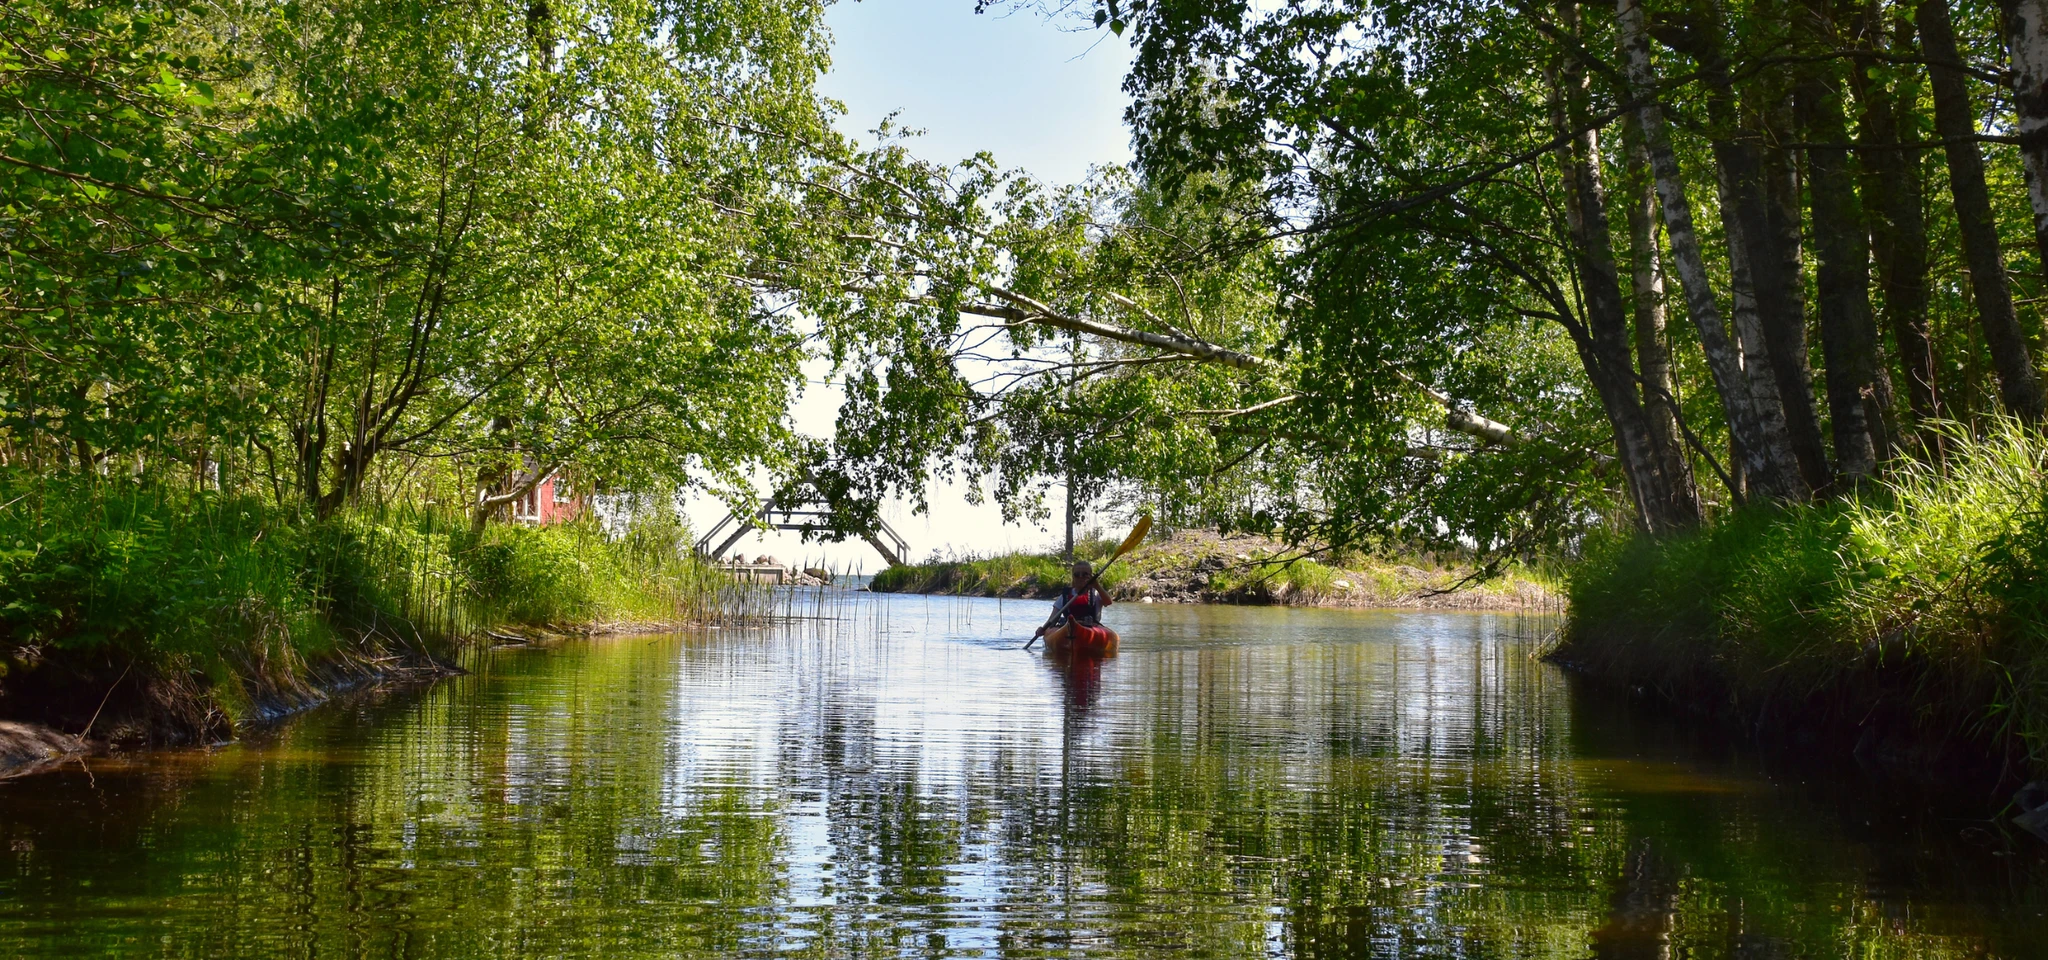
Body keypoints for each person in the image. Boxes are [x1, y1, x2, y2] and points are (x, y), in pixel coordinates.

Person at [1033, 560, 1118, 656]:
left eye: (1085, 574)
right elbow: (1053, 619)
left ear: (1090, 576)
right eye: (1077, 575)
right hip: (1068, 628)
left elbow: (1108, 602)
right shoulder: (1064, 596)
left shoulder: (1096, 594)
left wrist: (1097, 585)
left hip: (1091, 627)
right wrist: (1043, 629)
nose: (1080, 577)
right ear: (1073, 577)